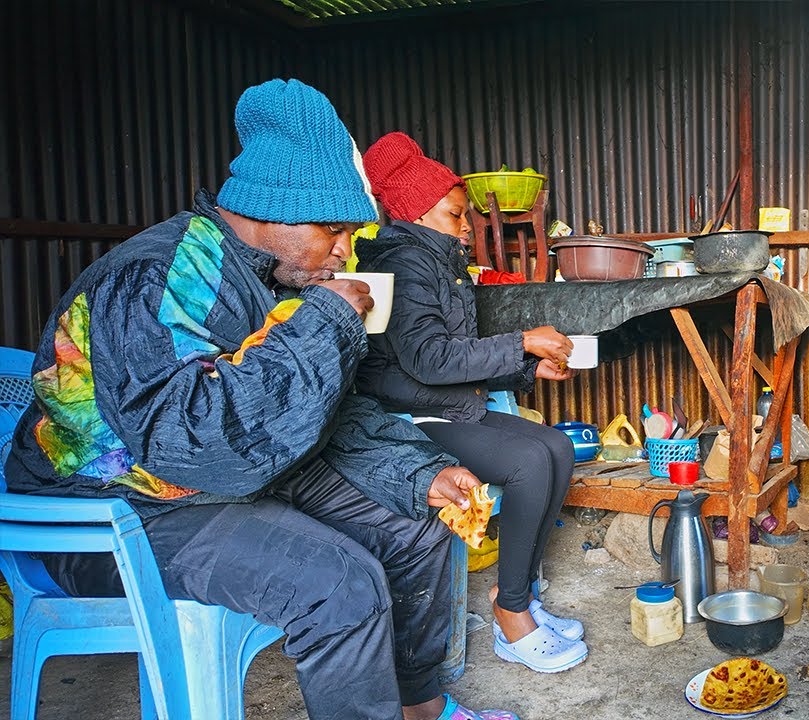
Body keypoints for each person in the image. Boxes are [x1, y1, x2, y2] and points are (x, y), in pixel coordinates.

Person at [2, 79, 517, 720]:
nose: (343, 251)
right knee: (338, 584)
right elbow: (196, 444)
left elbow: (328, 408)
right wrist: (325, 321)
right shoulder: (158, 278)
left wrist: (419, 470)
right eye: (331, 230)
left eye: (350, 233)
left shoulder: (268, 275)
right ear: (269, 211)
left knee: (418, 529)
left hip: (224, 480)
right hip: (117, 508)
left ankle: (421, 709)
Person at [357, 132, 587, 673]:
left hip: (445, 405)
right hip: (408, 416)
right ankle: (511, 616)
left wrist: (529, 366)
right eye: (455, 216)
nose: (465, 228)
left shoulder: (437, 264)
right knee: (530, 461)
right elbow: (430, 360)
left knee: (556, 447)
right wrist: (524, 341)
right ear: (416, 214)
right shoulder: (407, 265)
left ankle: (521, 597)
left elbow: (457, 354)